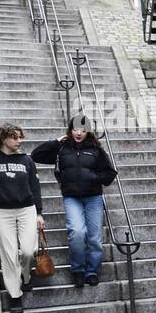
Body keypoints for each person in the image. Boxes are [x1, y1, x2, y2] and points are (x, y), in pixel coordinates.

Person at [31, 114, 116, 288]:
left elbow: (109, 174)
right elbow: (36, 155)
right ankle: (78, 270)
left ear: (88, 132)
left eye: (83, 130)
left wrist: (92, 177)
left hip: (93, 198)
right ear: (70, 130)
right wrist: (55, 142)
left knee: (94, 238)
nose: (79, 133)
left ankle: (92, 271)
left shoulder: (95, 150)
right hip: (71, 198)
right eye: (75, 129)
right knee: (77, 233)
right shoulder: (62, 148)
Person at [0, 123, 43, 313]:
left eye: (20, 137)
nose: (19, 141)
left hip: (26, 209)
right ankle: (15, 296)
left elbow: (35, 187)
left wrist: (39, 213)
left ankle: (26, 275)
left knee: (29, 250)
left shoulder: (26, 160)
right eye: (15, 137)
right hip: (2, 212)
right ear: (3, 139)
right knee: (8, 255)